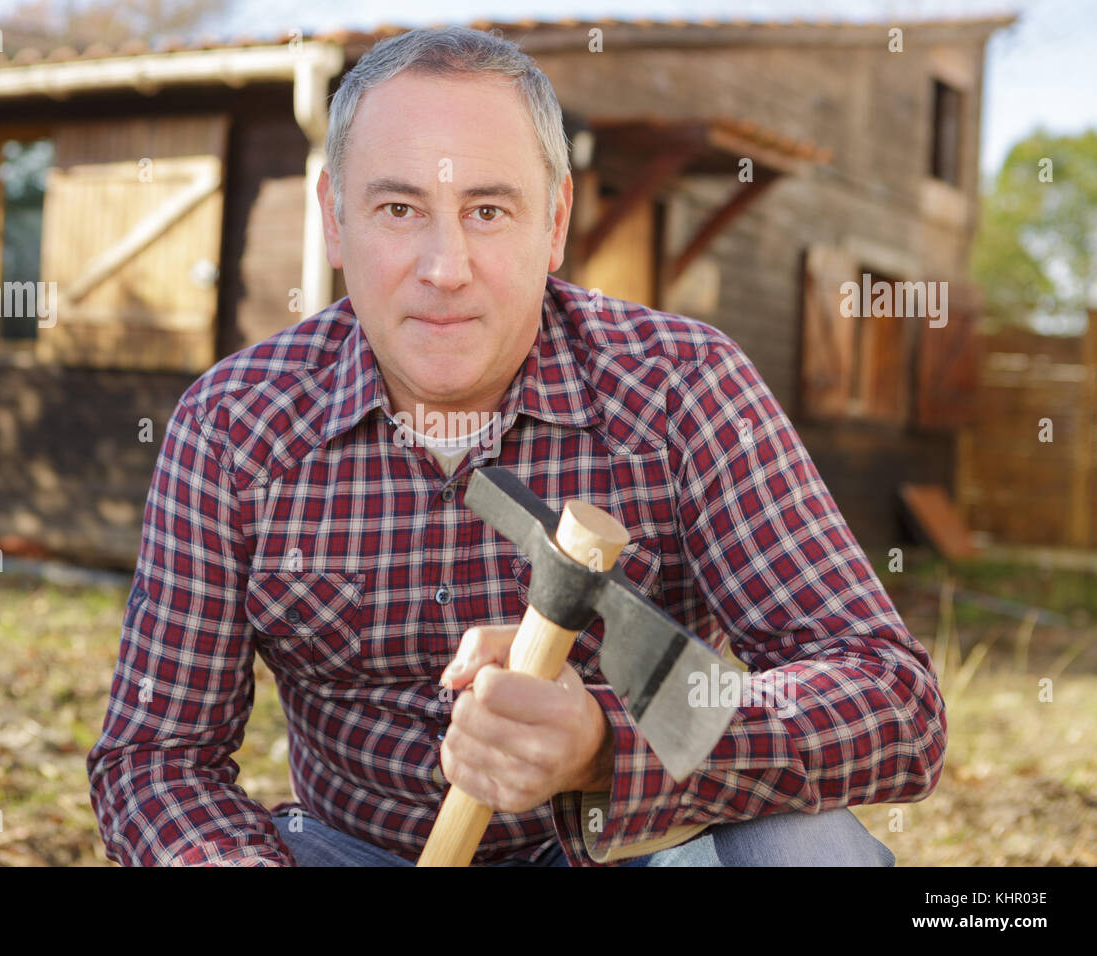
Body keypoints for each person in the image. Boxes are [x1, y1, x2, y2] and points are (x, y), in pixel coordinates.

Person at [87, 25, 945, 867]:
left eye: (488, 210)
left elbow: (893, 706)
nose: (445, 266)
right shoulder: (236, 425)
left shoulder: (684, 387)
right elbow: (155, 758)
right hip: (353, 852)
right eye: (398, 208)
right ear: (334, 221)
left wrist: (609, 744)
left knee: (807, 849)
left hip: (626, 850)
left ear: (556, 220)